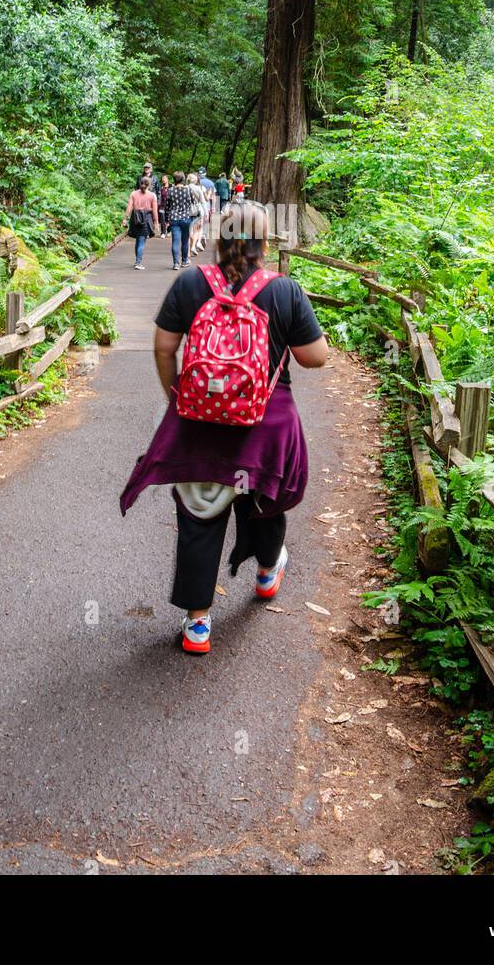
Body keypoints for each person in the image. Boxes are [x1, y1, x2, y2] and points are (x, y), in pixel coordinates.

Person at [119, 200, 329, 655]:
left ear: (217, 236)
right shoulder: (284, 290)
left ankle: (197, 625)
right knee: (264, 502)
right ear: (263, 241)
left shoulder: (192, 282)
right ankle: (268, 572)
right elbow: (315, 357)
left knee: (199, 514)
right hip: (265, 426)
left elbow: (163, 346)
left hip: (199, 424)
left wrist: (176, 396)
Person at [123, 176, 159, 269]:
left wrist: (125, 219)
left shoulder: (133, 194)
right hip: (146, 218)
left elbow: (129, 206)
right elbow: (155, 211)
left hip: (135, 218)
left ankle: (137, 260)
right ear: (149, 185)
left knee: (138, 239)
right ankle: (138, 263)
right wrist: (156, 223)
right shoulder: (152, 195)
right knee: (142, 241)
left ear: (140, 183)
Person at [165, 171, 196, 270]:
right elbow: (193, 203)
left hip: (174, 219)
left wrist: (166, 219)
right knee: (185, 241)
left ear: (174, 179)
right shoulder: (188, 190)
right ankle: (184, 261)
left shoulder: (170, 190)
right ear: (183, 179)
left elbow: (167, 206)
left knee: (175, 241)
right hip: (186, 218)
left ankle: (176, 264)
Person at [187, 171, 209, 255]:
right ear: (195, 180)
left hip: (187, 211)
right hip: (197, 211)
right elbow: (203, 202)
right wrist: (206, 212)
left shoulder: (185, 188)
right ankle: (193, 246)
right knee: (196, 230)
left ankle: (188, 252)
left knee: (188, 232)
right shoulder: (198, 189)